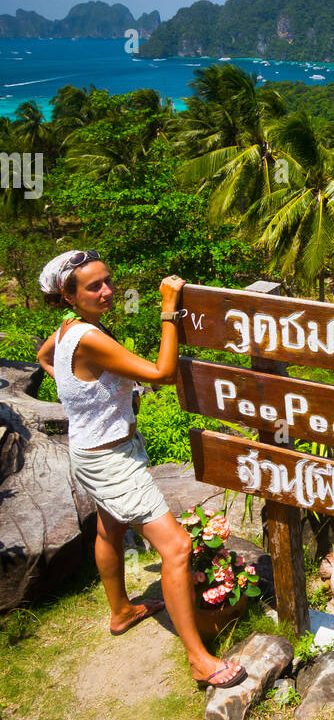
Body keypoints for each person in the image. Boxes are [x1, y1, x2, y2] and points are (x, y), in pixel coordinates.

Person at [36, 250, 247, 690]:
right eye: (94, 287)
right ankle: (198, 659)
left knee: (109, 530)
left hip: (90, 449)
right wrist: (170, 309)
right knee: (176, 547)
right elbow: (162, 373)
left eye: (108, 281)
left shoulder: (67, 331)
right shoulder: (89, 339)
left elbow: (44, 357)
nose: (107, 291)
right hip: (112, 460)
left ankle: (121, 612)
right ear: (69, 295)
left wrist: (94, 399)